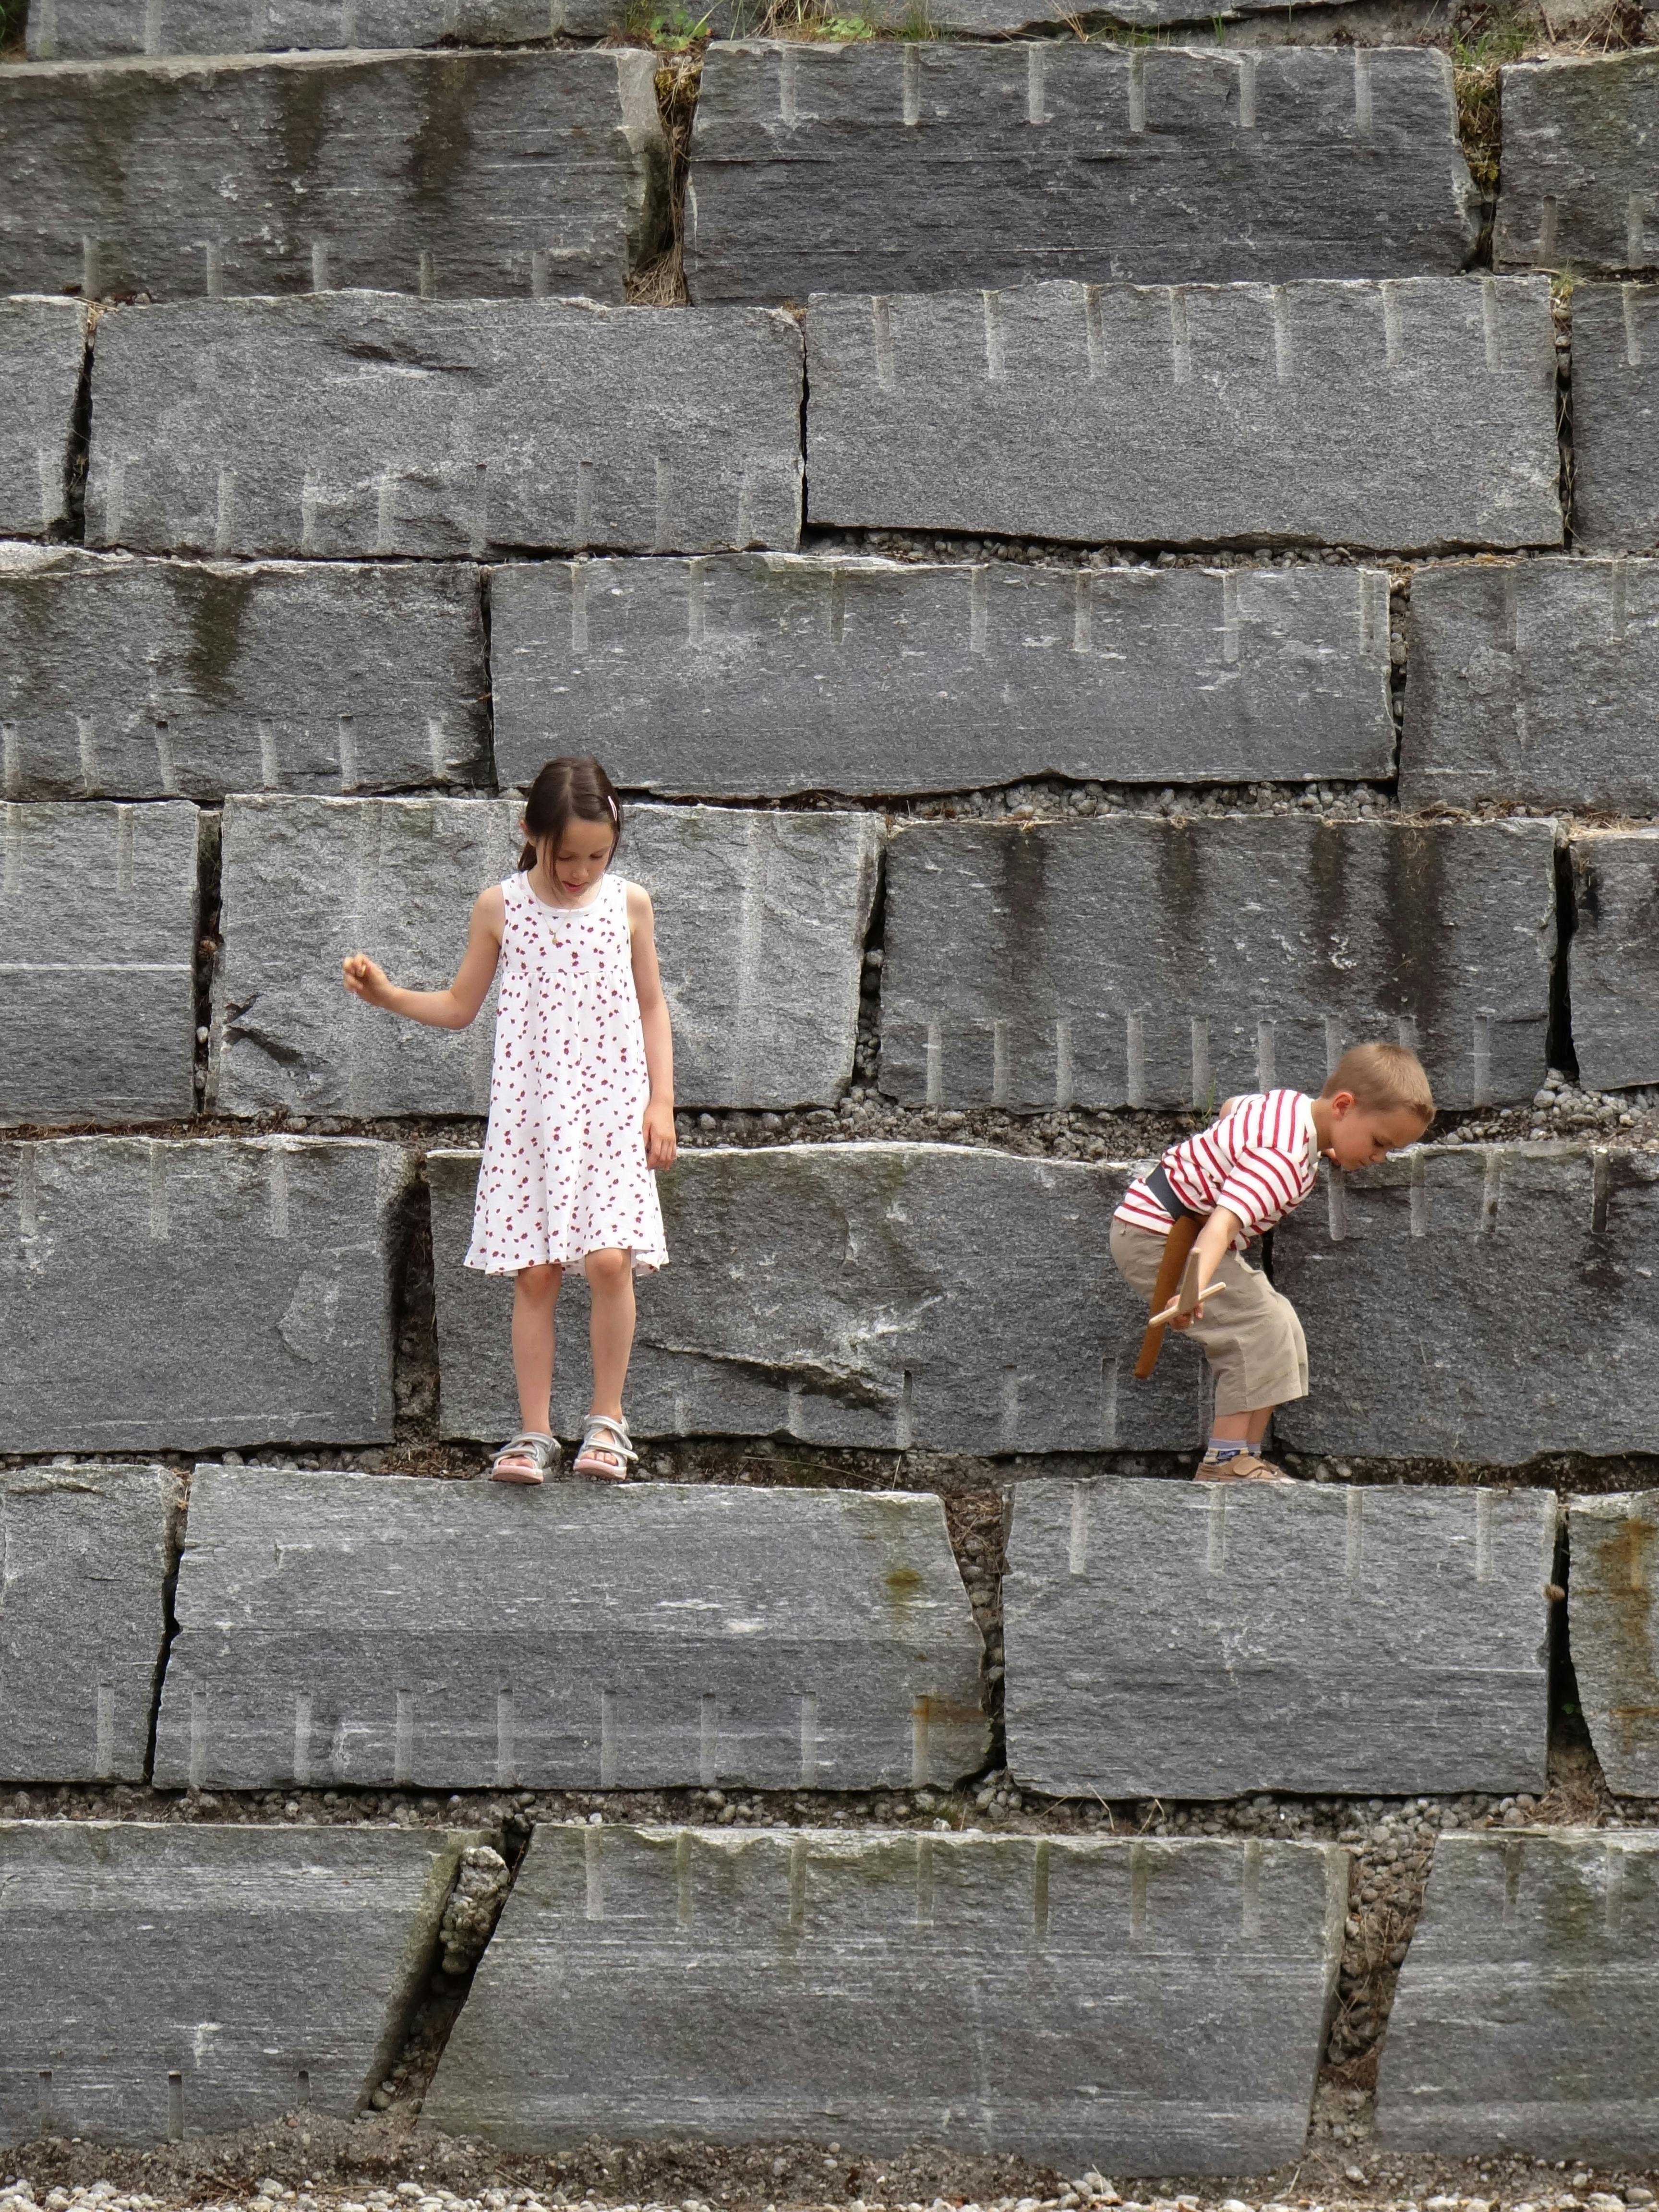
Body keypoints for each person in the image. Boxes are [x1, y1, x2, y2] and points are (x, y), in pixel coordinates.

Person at [342, 757, 675, 1485]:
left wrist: (661, 1102)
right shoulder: (501, 907)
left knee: (611, 1259)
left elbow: (652, 1005)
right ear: (530, 833)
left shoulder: (630, 906)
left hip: (612, 1108)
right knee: (535, 1273)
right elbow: (462, 1006)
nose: (582, 871)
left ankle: (608, 1423)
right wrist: (390, 996)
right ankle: (533, 1434)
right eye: (568, 856)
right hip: (532, 1113)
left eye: (598, 854)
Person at [1112, 1040, 1434, 1483]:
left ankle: (1246, 1455)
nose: (1379, 1158)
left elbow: (1230, 1109)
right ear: (1343, 1106)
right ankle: (1224, 1464)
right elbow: (1221, 1225)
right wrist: (1190, 1292)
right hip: (1163, 1237)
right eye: (1379, 1143)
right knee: (1256, 1328)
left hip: (1158, 1221)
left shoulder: (1289, 1105)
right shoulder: (1281, 1162)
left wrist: (1330, 1148)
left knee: (1277, 1320)